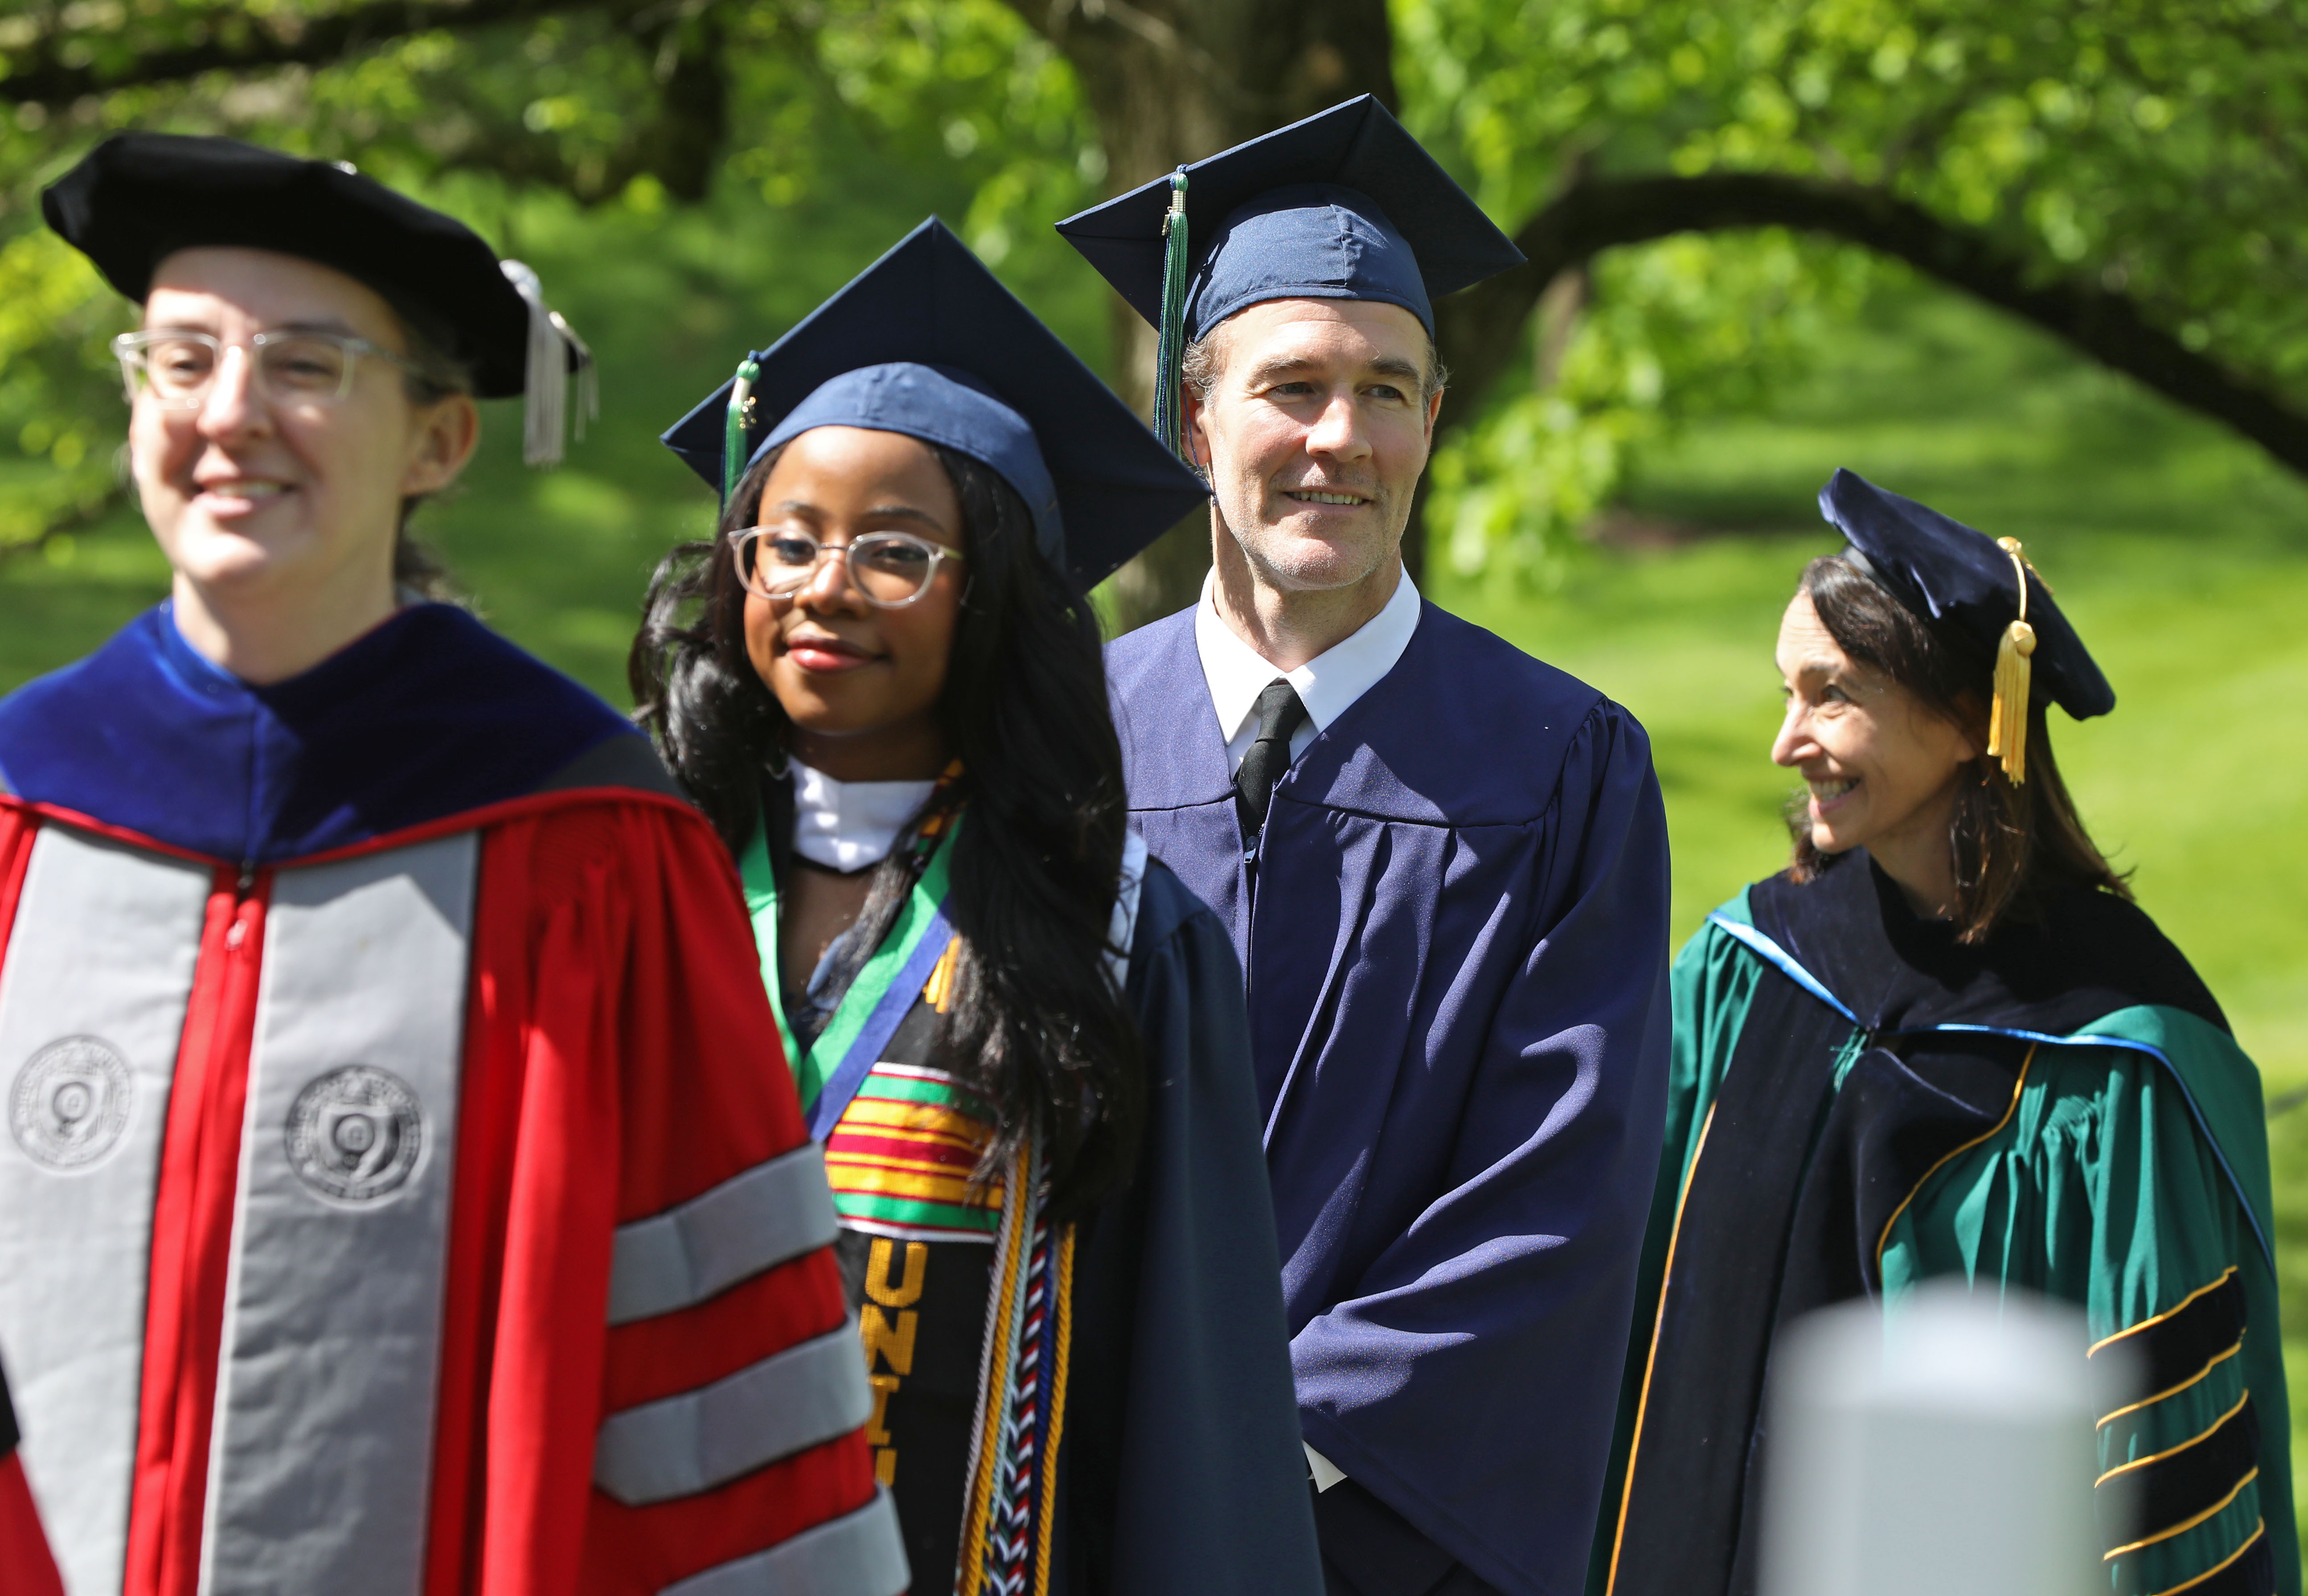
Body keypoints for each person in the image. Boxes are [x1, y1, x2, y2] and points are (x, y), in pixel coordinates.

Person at [0, 134, 902, 1596]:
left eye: (306, 365)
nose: (229, 414)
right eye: (181, 359)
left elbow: (717, 1397)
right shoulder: (24, 815)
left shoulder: (584, 849)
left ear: (438, 442)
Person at [634, 216, 1325, 1596]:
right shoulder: (636, 895)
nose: (828, 585)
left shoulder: (1118, 939)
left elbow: (1197, 1410)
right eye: (790, 542)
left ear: (991, 593)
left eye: (894, 550)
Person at [1058, 97, 1675, 1596]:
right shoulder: (1060, 737)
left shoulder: (1562, 764)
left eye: (1387, 390)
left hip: (1388, 1534)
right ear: (1196, 420)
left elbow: (1564, 1190)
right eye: (1295, 388)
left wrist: (1255, 1442)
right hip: (1062, 1498)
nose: (1342, 438)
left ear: (1435, 422)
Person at [1598, 469, 2297, 1596]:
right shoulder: (1746, 969)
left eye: (1832, 697)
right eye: (1787, 692)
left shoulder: (2112, 1064)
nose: (1787, 742)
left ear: (1976, 719)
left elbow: (2160, 1480)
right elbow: (1615, 1293)